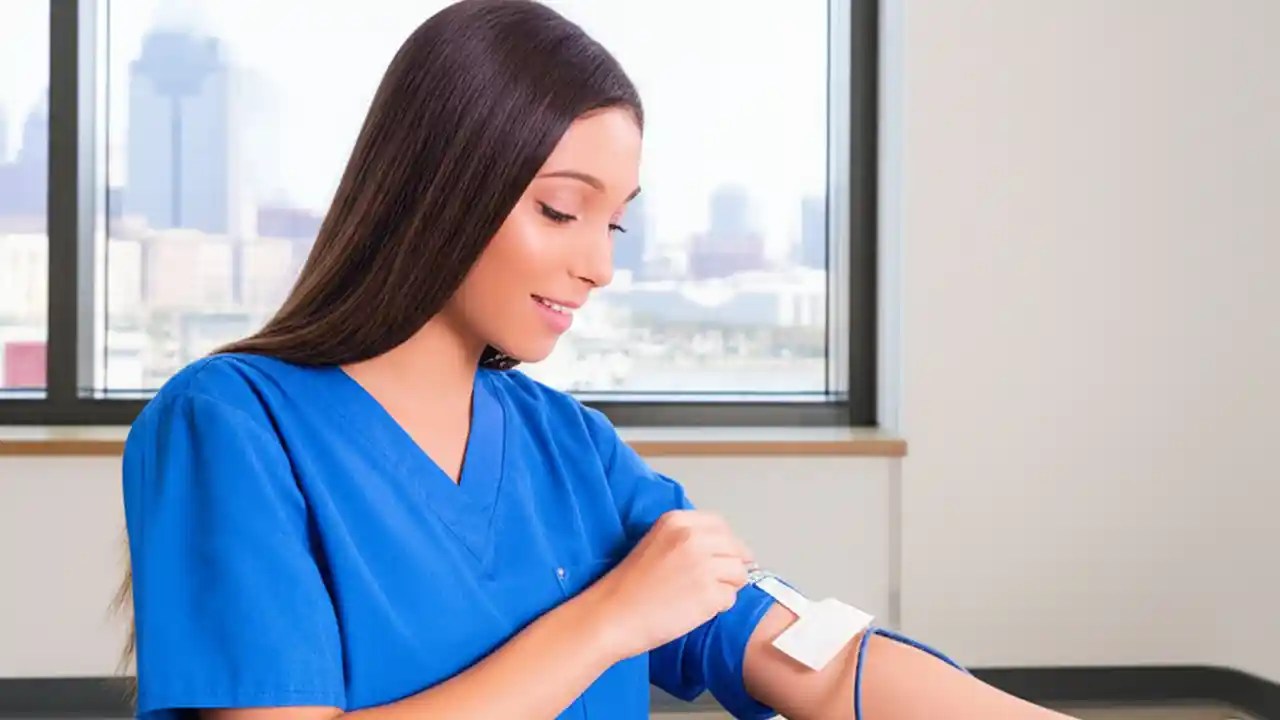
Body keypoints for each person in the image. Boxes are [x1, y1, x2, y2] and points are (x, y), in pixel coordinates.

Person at [117, 1, 1073, 718]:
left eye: (615, 221)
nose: (602, 263)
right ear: (442, 183)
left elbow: (814, 655)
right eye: (561, 210)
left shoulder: (574, 450)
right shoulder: (231, 425)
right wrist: (609, 619)